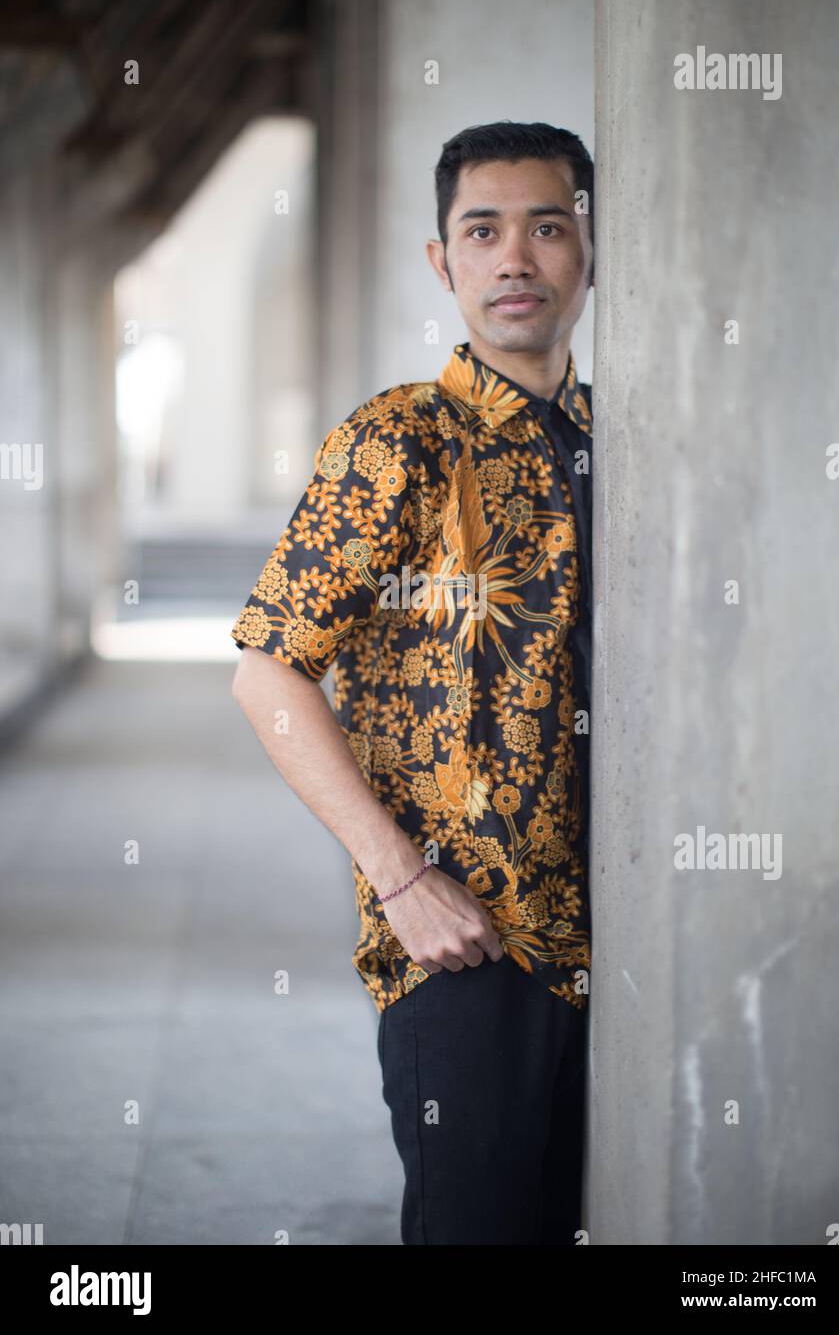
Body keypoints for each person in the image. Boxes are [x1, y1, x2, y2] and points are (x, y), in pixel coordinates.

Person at [230, 120, 594, 1245]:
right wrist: (401, 881)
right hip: (469, 944)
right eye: (482, 231)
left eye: (546, 227)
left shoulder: (618, 441)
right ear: (442, 262)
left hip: (622, 941)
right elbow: (268, 670)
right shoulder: (399, 441)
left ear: (591, 248)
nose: (514, 258)